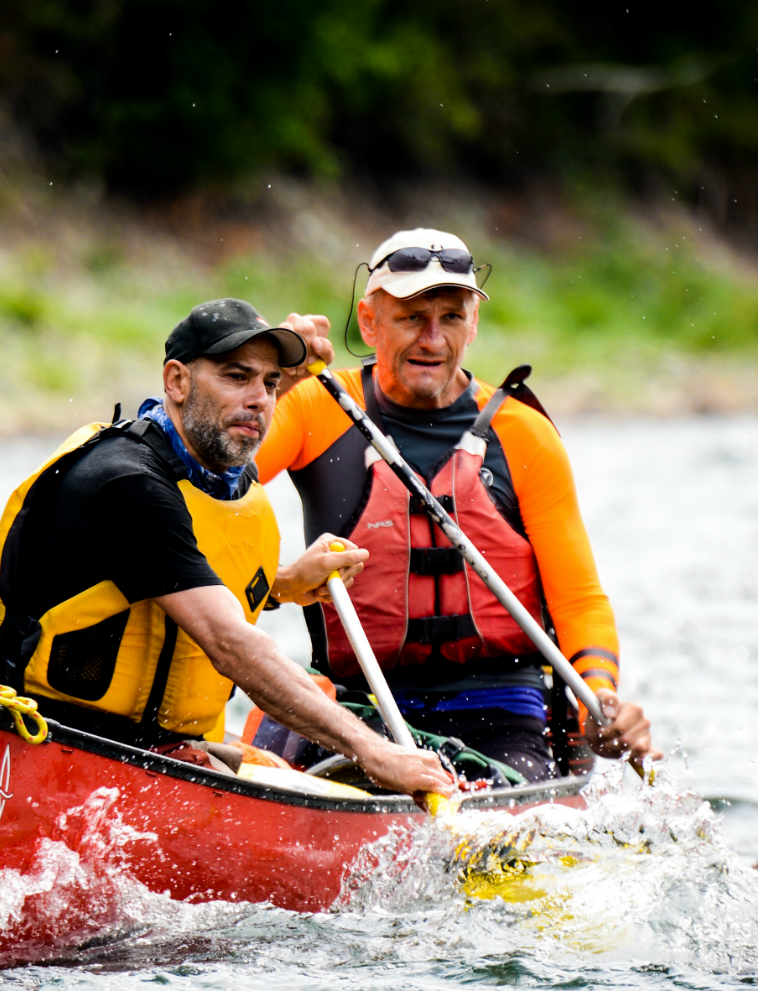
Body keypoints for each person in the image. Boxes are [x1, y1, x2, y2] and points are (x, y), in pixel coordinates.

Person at [0, 297, 453, 798]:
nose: (261, 400)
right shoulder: (126, 483)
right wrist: (375, 752)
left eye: (270, 384)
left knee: (335, 788)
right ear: (176, 382)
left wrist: (283, 585)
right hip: (52, 746)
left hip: (160, 752)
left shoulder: (217, 474)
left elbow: (170, 579)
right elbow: (229, 641)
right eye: (236, 376)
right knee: (359, 769)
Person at [255, 229, 661, 782]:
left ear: (473, 324)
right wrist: (268, 379)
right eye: (411, 318)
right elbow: (206, 488)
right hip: (358, 706)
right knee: (266, 762)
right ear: (369, 322)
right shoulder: (312, 406)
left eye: (451, 317)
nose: (433, 338)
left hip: (500, 710)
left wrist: (603, 700)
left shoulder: (524, 435)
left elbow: (580, 600)